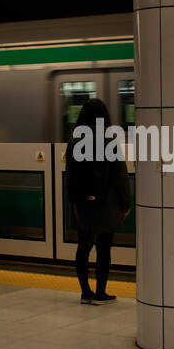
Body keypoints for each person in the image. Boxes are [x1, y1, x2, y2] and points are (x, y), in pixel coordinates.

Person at [65, 98, 131, 305]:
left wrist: (73, 201)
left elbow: (70, 174)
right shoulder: (109, 140)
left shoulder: (74, 140)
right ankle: (101, 293)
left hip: (82, 204)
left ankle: (86, 292)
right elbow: (120, 175)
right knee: (103, 248)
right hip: (106, 204)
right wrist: (125, 203)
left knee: (83, 246)